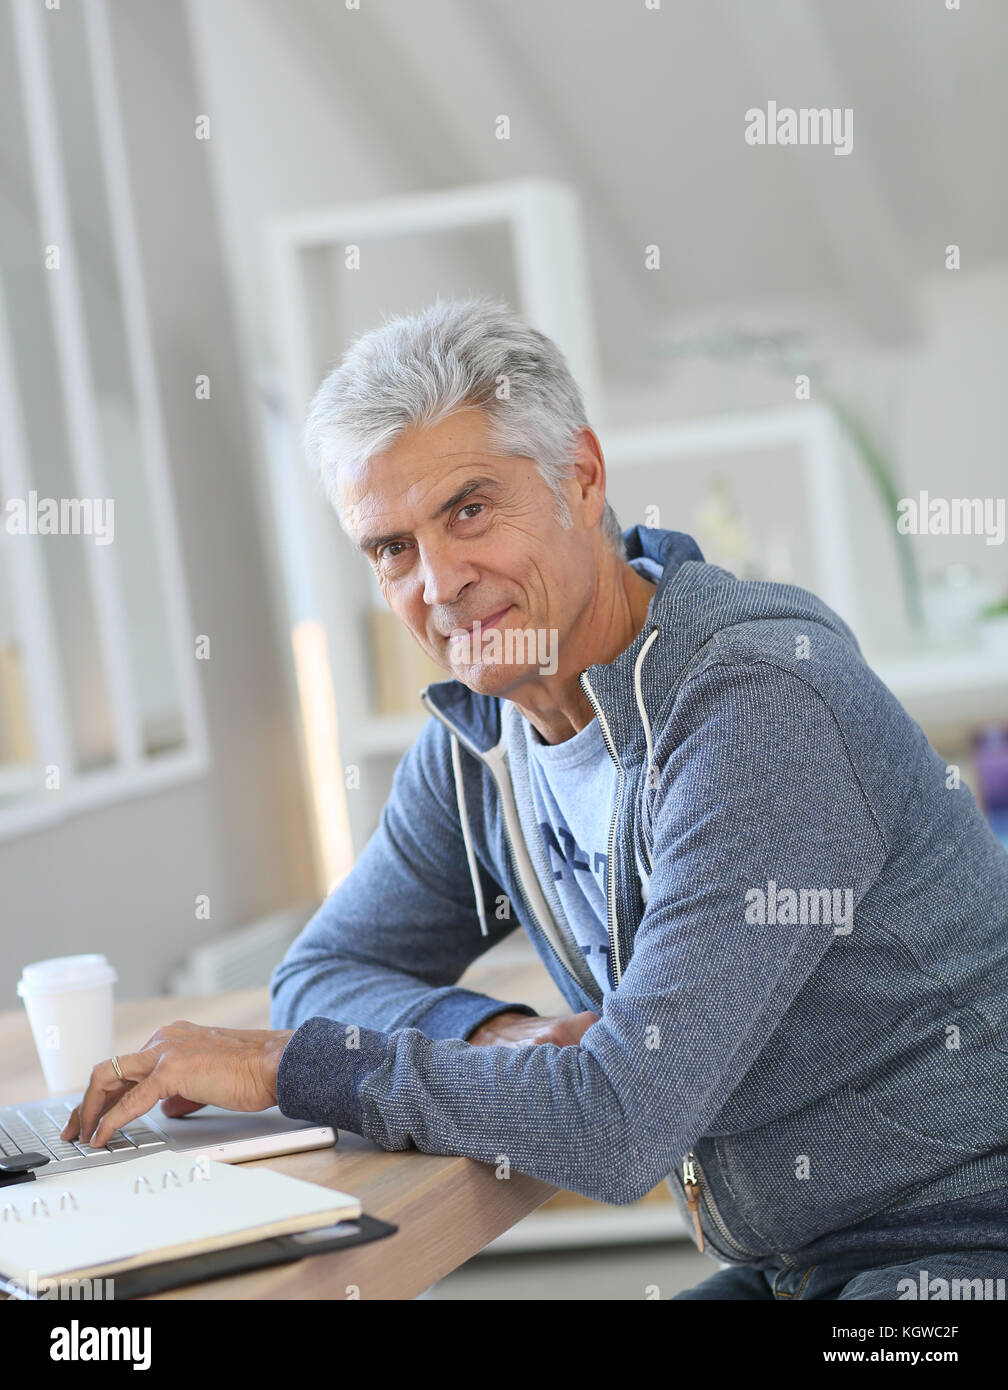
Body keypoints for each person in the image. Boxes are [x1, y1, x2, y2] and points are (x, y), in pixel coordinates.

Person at [64, 298, 1008, 1300]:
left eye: (469, 509)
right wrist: (492, 1032)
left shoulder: (759, 705)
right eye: (391, 547)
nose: (440, 581)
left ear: (581, 477)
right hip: (798, 1265)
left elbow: (616, 1121)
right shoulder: (485, 737)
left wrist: (291, 1066)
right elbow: (327, 968)